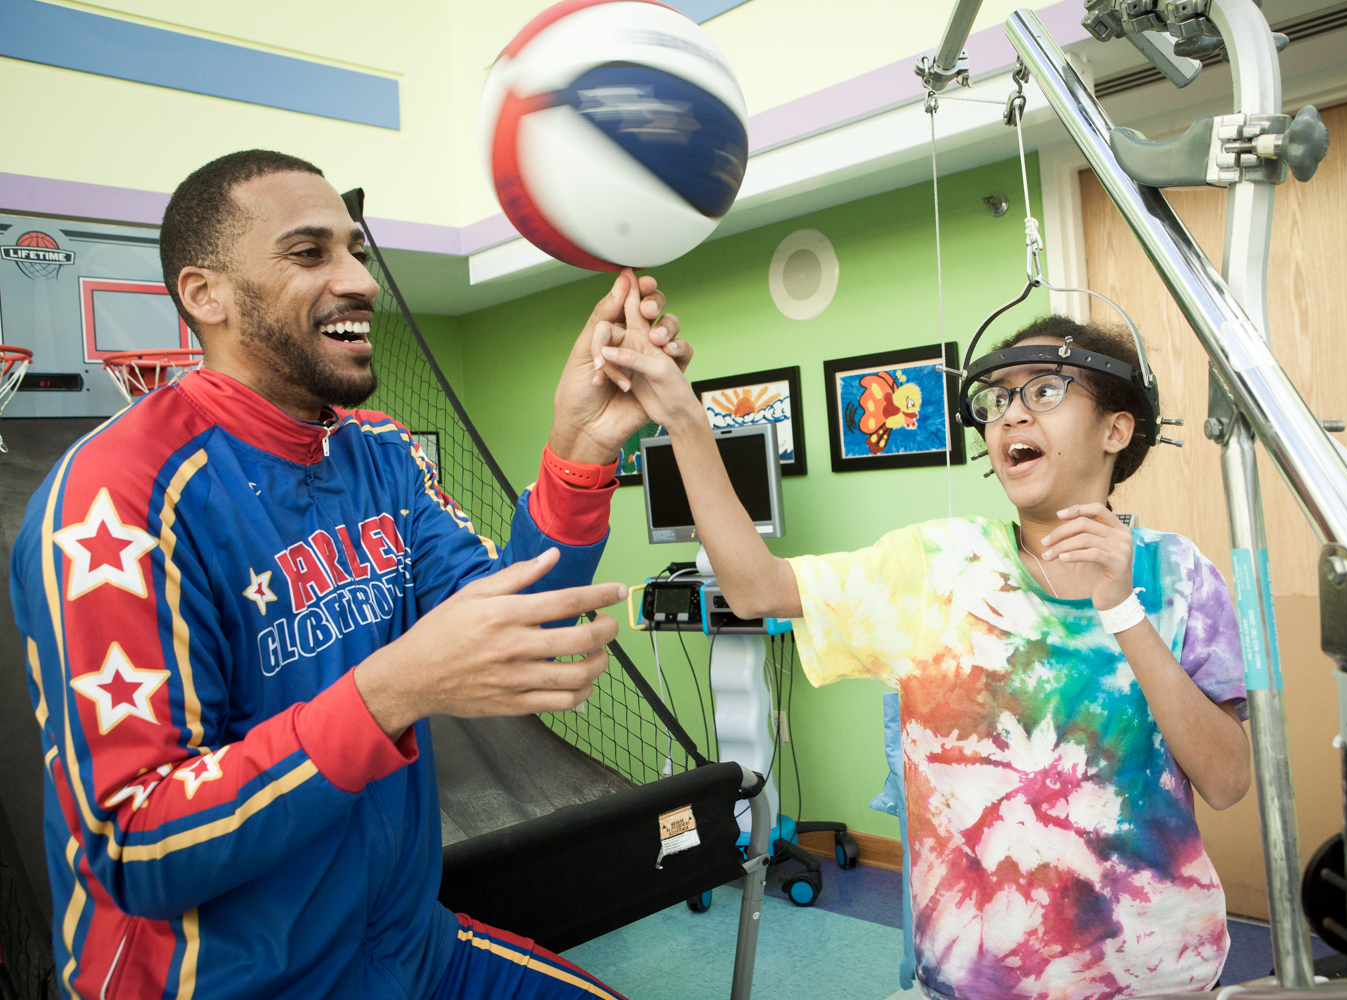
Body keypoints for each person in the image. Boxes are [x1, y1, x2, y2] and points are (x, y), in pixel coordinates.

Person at [9, 150, 692, 1000]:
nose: (358, 280)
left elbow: (530, 631)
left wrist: (582, 447)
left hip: (407, 954)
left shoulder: (379, 452)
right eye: (309, 253)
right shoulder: (113, 500)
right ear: (204, 294)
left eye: (355, 251)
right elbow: (138, 847)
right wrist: (390, 691)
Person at [599, 303, 1253, 1000]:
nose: (1011, 415)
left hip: (1163, 974)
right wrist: (683, 418)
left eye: (1045, 390)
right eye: (997, 399)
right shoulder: (938, 567)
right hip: (977, 983)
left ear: (1116, 429)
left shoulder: (1182, 577)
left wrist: (1123, 609)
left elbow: (1226, 780)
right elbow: (757, 588)